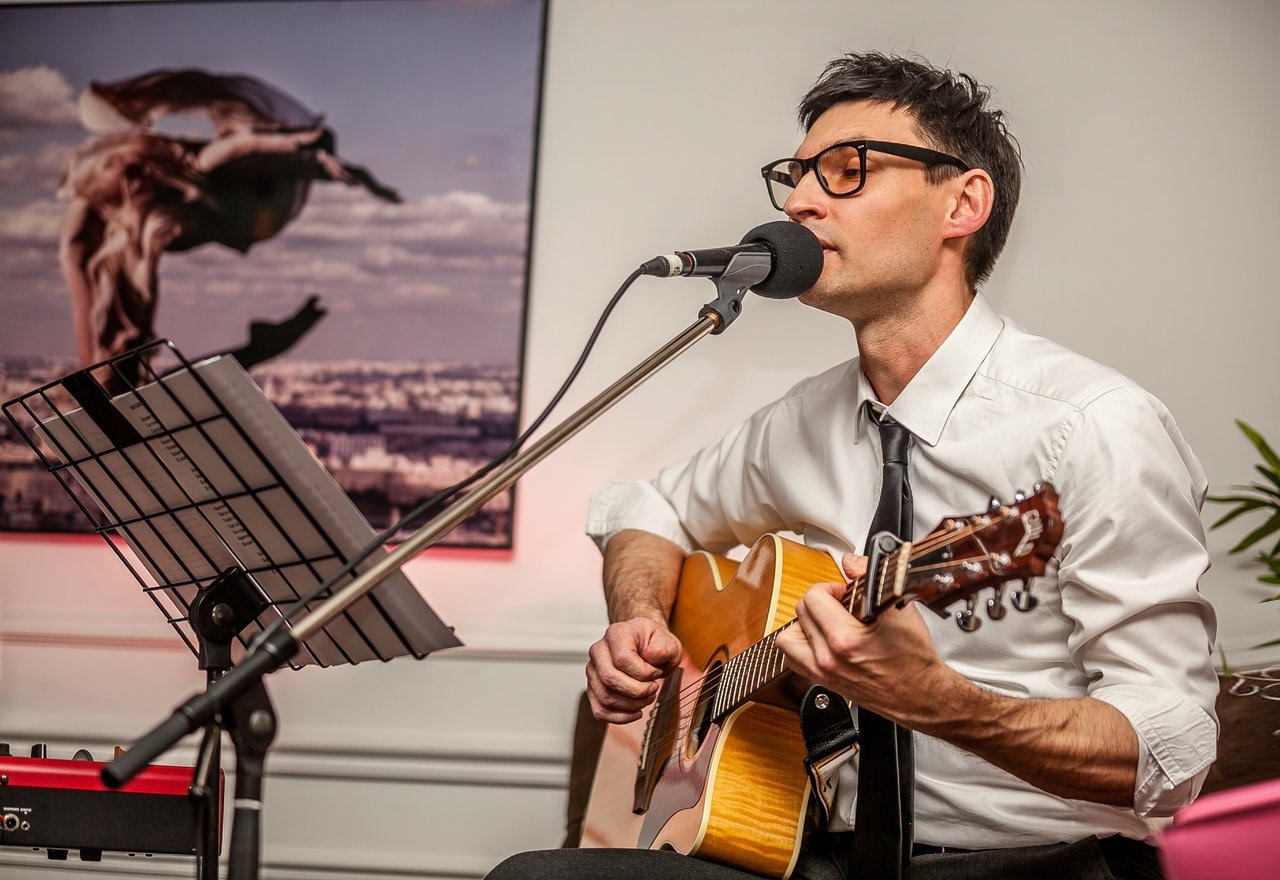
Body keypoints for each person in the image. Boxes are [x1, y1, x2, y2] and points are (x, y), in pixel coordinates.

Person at [489, 53, 1218, 880]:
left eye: (846, 170)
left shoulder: (1095, 427)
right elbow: (643, 509)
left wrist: (945, 705)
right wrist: (640, 621)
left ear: (962, 204)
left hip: (1034, 864)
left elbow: (1175, 750)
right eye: (795, 176)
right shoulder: (803, 420)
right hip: (810, 850)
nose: (799, 202)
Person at [59, 68, 401, 373]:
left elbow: (246, 147)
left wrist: (338, 167)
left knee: (112, 360)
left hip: (118, 214)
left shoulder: (150, 198)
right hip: (122, 209)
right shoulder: (191, 174)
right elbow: (242, 146)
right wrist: (306, 147)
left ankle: (112, 376)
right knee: (114, 359)